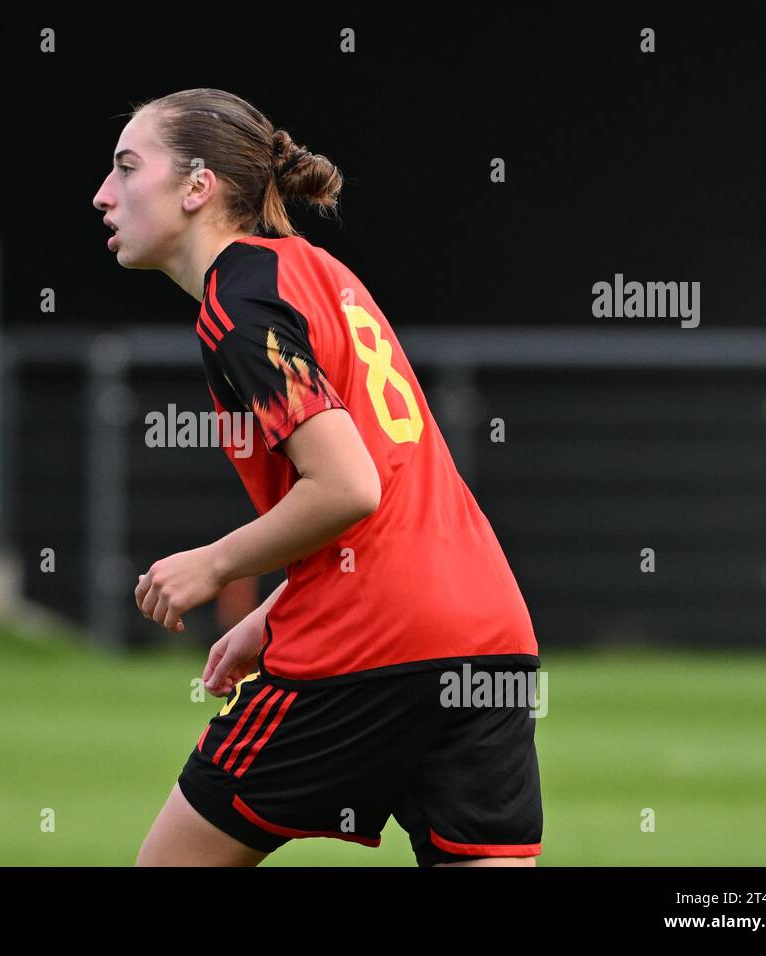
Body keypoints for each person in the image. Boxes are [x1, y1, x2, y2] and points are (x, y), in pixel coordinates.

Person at [92, 88, 543, 867]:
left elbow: (348, 486)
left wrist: (213, 563)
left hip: (374, 638)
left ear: (197, 188)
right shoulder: (317, 270)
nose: (104, 194)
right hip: (491, 636)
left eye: (127, 168)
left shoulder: (238, 304)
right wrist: (269, 618)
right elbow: (391, 487)